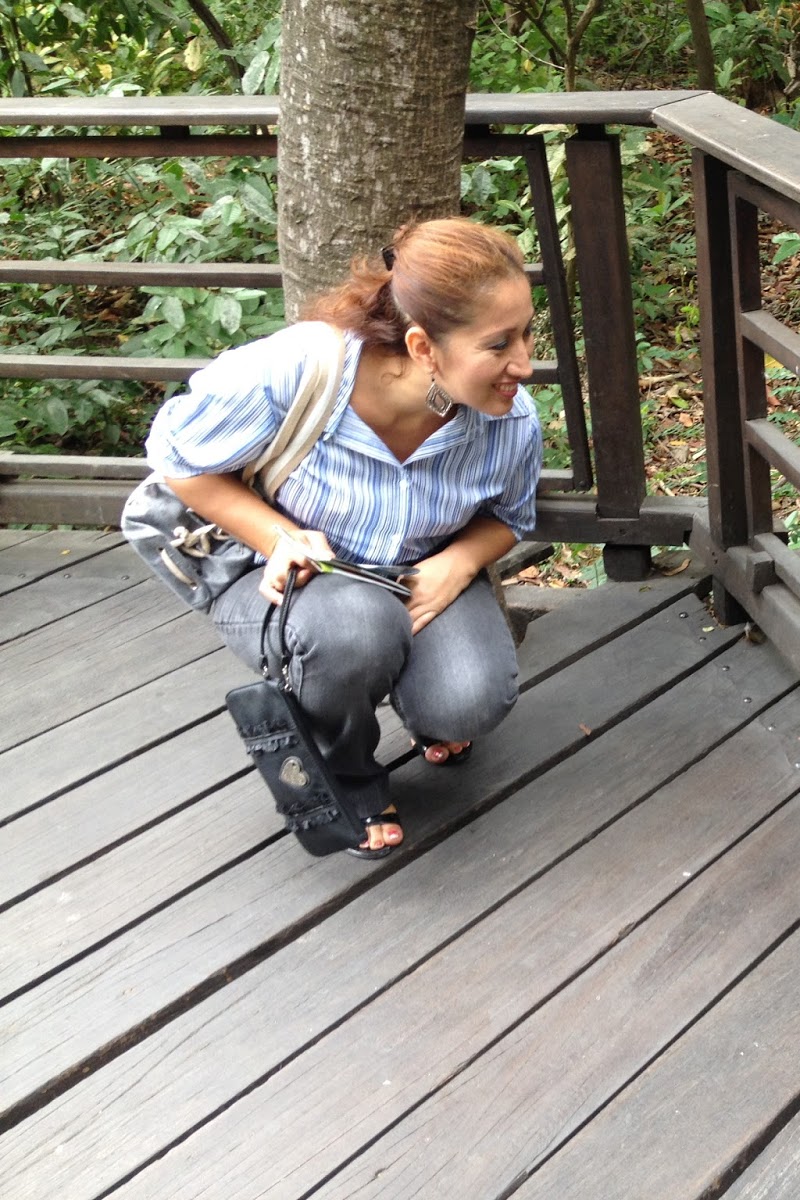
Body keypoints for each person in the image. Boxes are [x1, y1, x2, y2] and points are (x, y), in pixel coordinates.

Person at [146, 217, 543, 858]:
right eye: (499, 345)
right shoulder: (296, 370)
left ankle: (424, 709)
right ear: (423, 347)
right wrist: (280, 535)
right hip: (288, 583)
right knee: (354, 629)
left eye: (527, 332)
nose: (524, 363)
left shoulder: (507, 420)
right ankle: (350, 774)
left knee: (468, 703)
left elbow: (510, 516)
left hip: (416, 574)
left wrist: (461, 562)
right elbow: (178, 461)